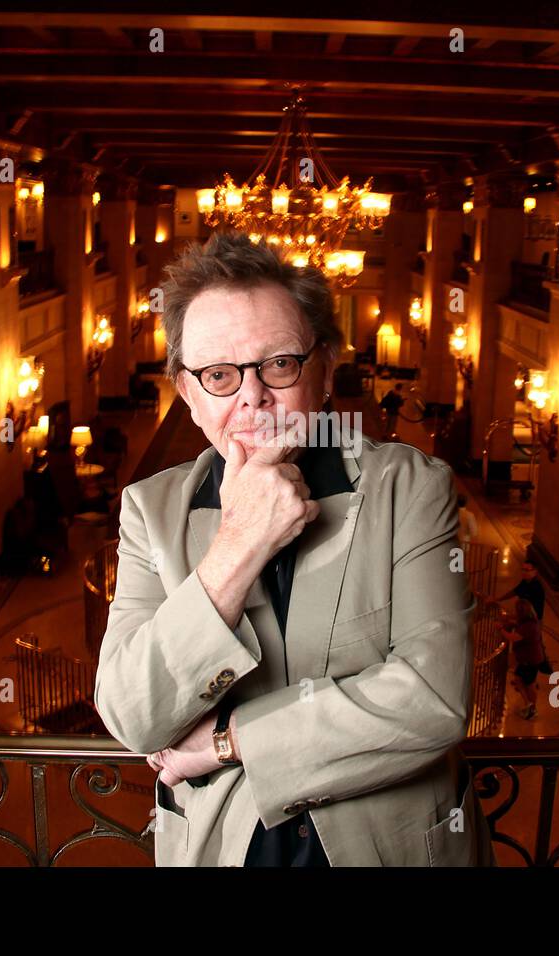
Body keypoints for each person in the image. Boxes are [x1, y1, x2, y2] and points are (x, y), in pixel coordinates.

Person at [95, 232, 494, 867]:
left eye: (279, 364)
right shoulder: (151, 510)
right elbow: (134, 715)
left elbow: (433, 699)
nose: (251, 397)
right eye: (219, 375)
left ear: (325, 367)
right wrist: (237, 547)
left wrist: (228, 742)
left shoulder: (409, 488)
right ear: (187, 390)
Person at [509, 600, 549, 720]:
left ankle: (532, 708)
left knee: (529, 685)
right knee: (519, 679)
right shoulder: (530, 621)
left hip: (530, 660)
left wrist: (501, 629)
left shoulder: (528, 626)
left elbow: (514, 638)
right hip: (530, 659)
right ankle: (529, 705)